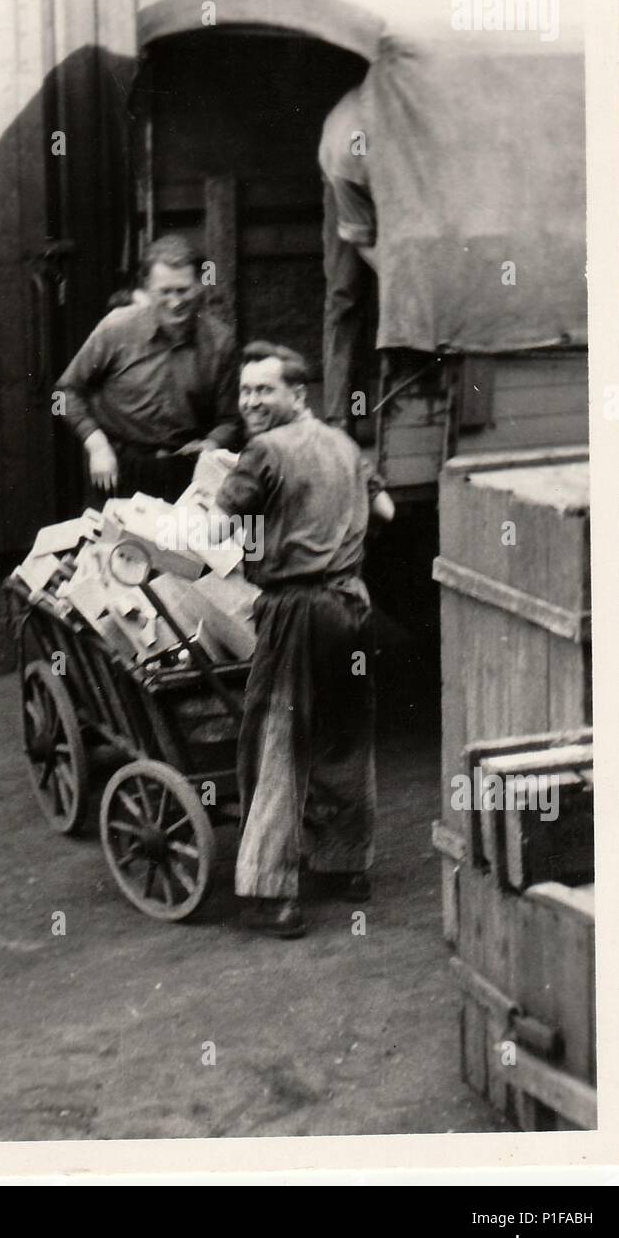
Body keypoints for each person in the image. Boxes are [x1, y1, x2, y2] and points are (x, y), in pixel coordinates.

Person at [215, 341, 395, 939]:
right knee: (344, 736)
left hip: (295, 610)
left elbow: (222, 520)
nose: (250, 402)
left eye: (264, 390)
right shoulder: (345, 444)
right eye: (245, 391)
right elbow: (386, 509)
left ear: (298, 394)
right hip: (351, 608)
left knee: (277, 743)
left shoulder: (263, 451)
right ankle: (347, 867)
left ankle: (275, 896)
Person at [53, 234, 240, 505]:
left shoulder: (220, 342)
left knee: (183, 548)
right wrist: (95, 445)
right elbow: (61, 395)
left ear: (200, 286)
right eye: (165, 292)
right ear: (148, 288)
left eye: (183, 290)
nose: (175, 302)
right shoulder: (116, 328)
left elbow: (231, 419)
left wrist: (210, 444)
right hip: (119, 470)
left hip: (187, 472)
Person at [319, 86, 380, 433]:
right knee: (346, 296)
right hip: (347, 186)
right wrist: (397, 275)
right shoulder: (349, 150)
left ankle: (382, 411)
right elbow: (360, 239)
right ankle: (339, 418)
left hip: (396, 186)